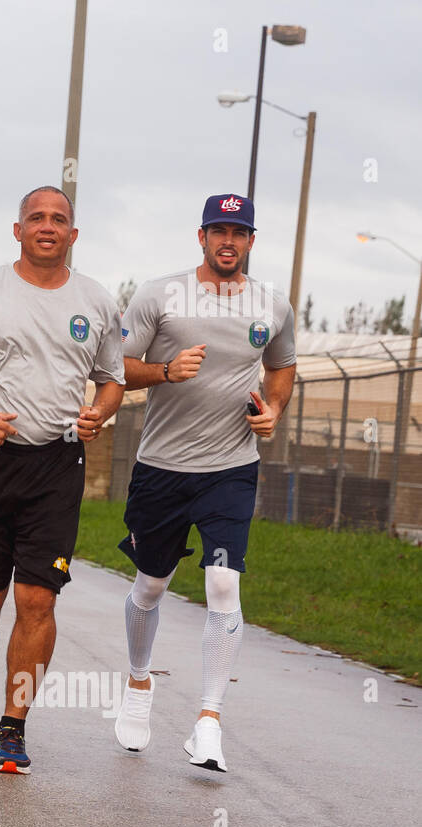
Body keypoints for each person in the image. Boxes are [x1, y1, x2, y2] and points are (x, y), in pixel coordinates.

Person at [0, 185, 125, 774]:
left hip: (57, 466)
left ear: (73, 234)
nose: (47, 226)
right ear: (17, 230)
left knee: (37, 599)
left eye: (58, 219)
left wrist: (100, 412)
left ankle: (12, 727)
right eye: (36, 217)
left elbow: (113, 377)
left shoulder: (96, 300)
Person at [113, 194, 296, 773]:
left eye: (238, 233)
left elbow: (282, 366)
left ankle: (208, 722)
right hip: (162, 467)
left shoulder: (272, 305)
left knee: (223, 584)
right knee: (150, 586)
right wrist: (166, 371)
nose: (227, 241)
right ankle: (139, 683)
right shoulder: (159, 295)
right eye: (218, 230)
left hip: (231, 468)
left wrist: (273, 411)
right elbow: (115, 368)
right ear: (201, 237)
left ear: (250, 241)